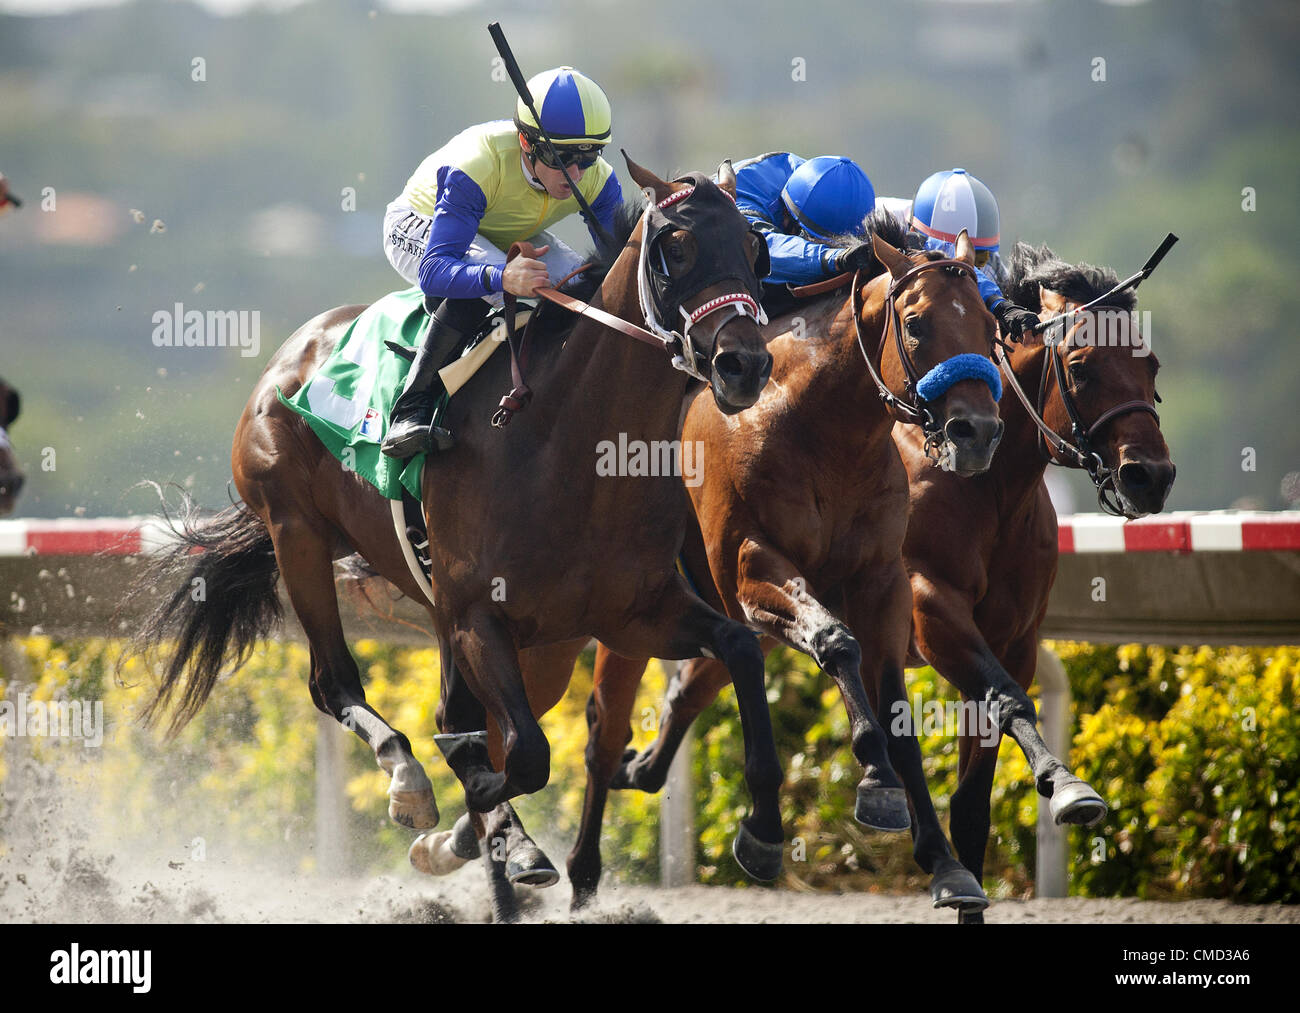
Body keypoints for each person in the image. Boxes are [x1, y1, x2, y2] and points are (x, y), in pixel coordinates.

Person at [380, 66, 623, 458]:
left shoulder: (598, 179)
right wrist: (501, 277)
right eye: (563, 158)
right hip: (423, 224)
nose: (577, 174)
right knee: (490, 283)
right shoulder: (479, 163)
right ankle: (411, 407)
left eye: (589, 155)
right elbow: (435, 270)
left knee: (582, 288)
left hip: (499, 230)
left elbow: (620, 266)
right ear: (528, 142)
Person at [877, 168, 1040, 340]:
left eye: (981, 256)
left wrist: (1004, 307)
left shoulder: (992, 265)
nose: (974, 264)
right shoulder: (885, 220)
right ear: (912, 230)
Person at [730, 153, 880, 310]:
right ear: (788, 216)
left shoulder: (820, 183)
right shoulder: (741, 194)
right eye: (814, 239)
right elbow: (761, 248)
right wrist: (832, 257)